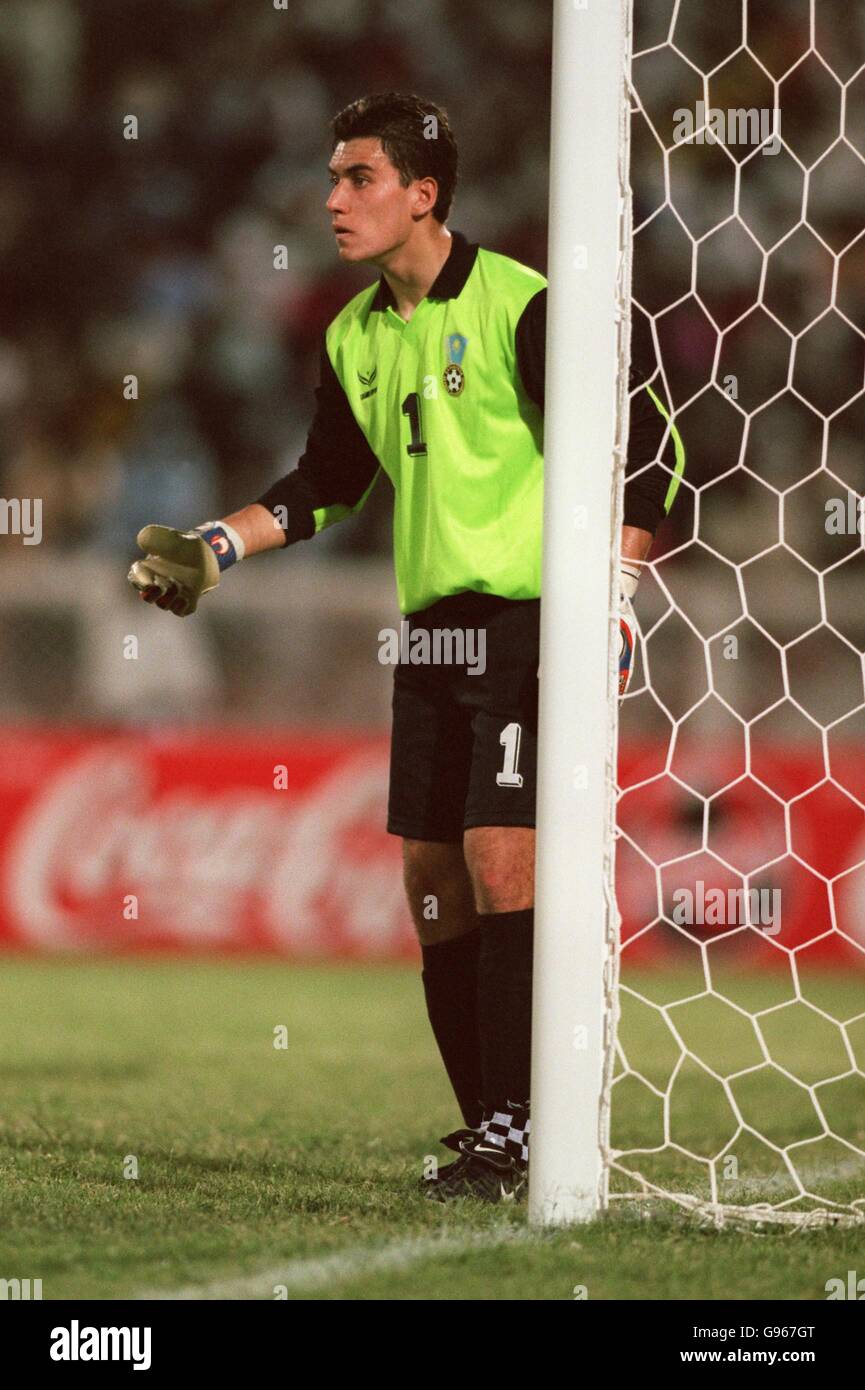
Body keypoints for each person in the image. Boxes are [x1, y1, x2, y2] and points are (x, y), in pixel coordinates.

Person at [129, 91, 684, 1203]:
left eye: (359, 179)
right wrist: (214, 549)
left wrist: (616, 595)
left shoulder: (526, 306)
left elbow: (655, 445)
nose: (332, 200)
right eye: (332, 179)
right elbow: (328, 485)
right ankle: (490, 1128)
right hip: (432, 632)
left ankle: (531, 1126)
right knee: (431, 881)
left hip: (534, 618)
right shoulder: (351, 336)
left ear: (423, 194)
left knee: (499, 855)